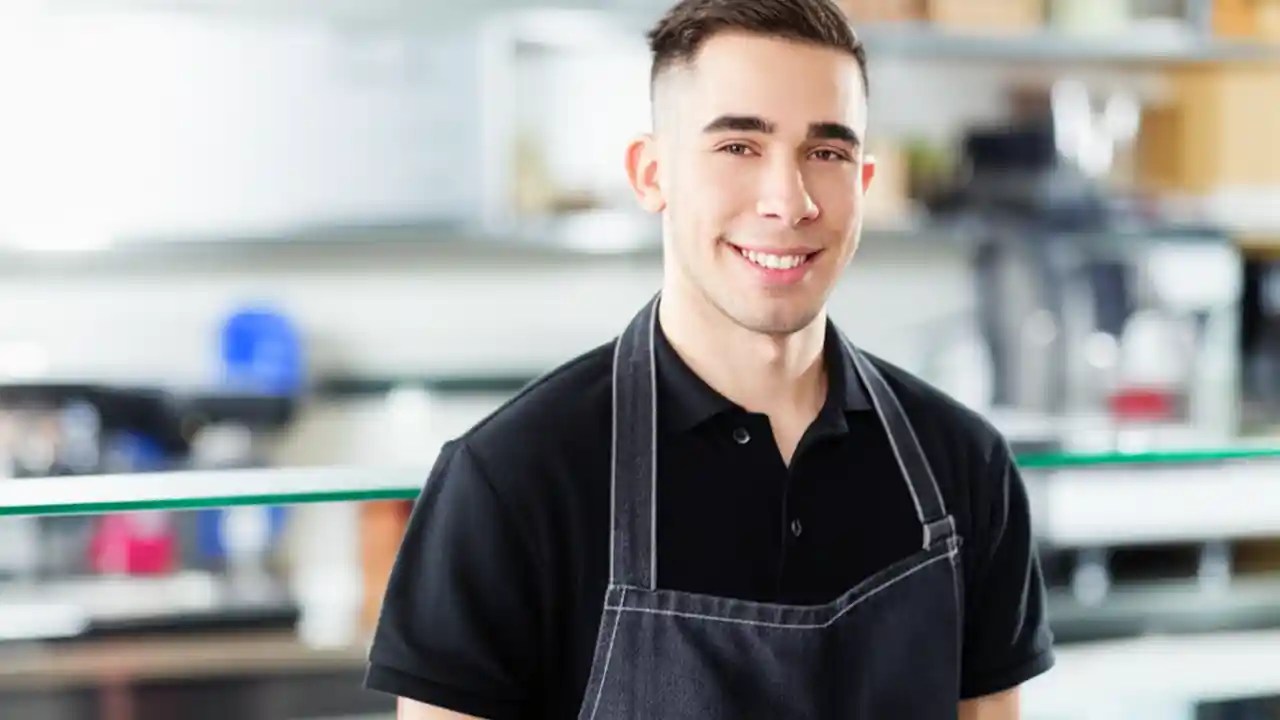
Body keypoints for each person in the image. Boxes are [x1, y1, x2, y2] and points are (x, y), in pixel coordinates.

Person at [364, 0, 1055, 717]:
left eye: (827, 153)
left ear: (864, 185)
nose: (788, 202)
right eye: (738, 147)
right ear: (651, 173)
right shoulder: (510, 480)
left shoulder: (967, 468)